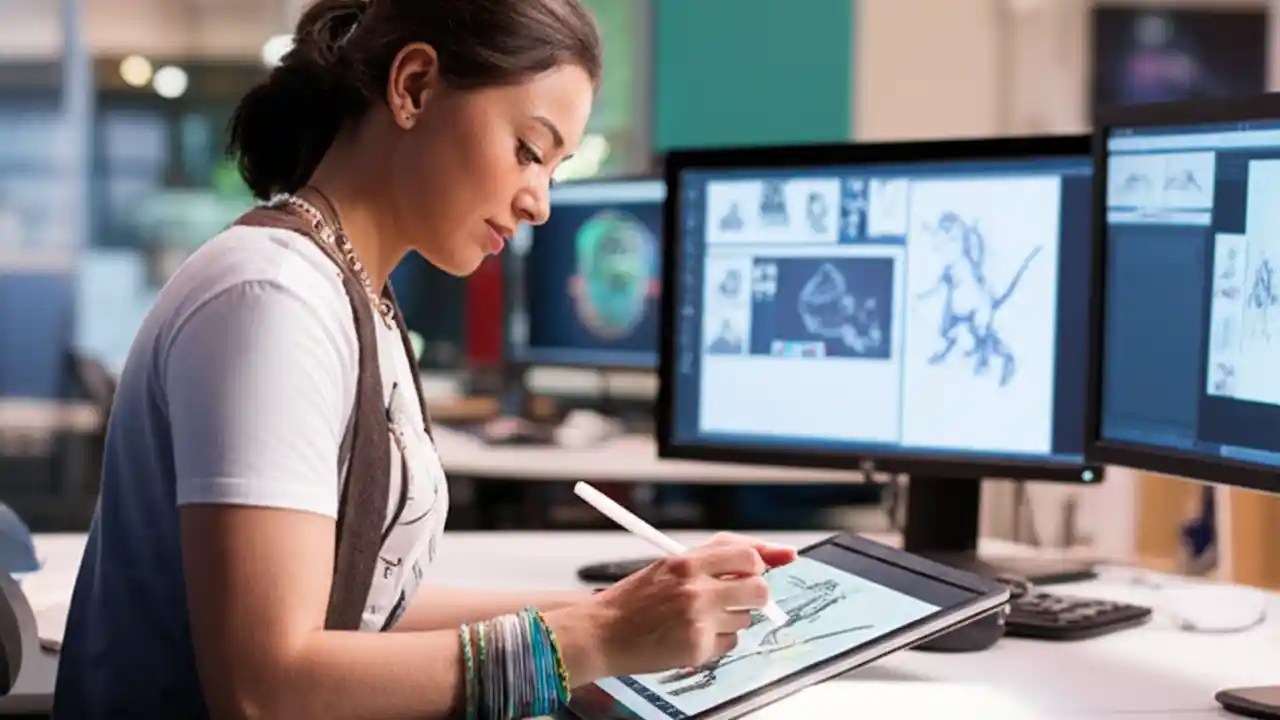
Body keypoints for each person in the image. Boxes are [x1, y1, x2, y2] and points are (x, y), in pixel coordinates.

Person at [52, 1, 797, 718]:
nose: (539, 202)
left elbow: (365, 613)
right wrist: (595, 638)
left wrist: (627, 606)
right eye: (529, 151)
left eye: (555, 171)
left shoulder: (349, 293)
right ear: (413, 87)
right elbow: (265, 689)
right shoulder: (272, 298)